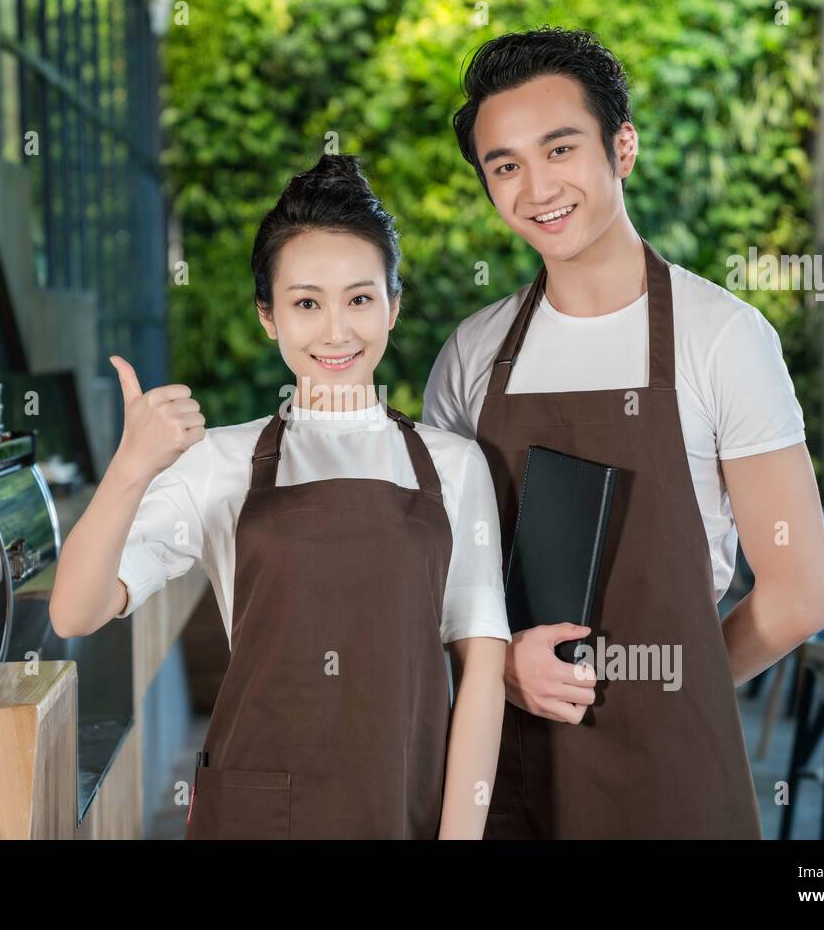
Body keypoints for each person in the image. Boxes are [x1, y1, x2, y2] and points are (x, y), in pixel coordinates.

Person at [424, 26, 824, 838]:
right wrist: (503, 668)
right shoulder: (474, 355)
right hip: (506, 765)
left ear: (623, 146)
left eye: (560, 148)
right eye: (504, 166)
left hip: (676, 777)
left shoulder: (722, 337)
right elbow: (427, 574)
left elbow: (796, 598)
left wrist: (663, 684)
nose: (536, 186)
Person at [50, 154, 510, 839]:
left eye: (359, 298)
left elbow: (483, 671)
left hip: (403, 805)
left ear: (393, 304)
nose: (335, 331)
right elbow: (74, 612)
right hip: (256, 810)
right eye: (305, 303)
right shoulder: (221, 461)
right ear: (267, 316)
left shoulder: (453, 466)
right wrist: (129, 469)